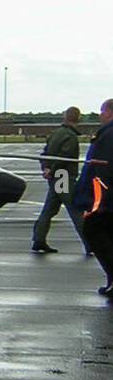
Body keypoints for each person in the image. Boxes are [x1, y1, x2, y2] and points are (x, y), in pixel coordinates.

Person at [31, 106, 88, 254]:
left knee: (49, 209)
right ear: (78, 119)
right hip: (63, 175)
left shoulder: (55, 133)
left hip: (55, 176)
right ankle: (90, 243)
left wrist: (46, 168)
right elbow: (65, 157)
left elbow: (45, 153)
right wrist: (54, 169)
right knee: (75, 210)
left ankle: (39, 239)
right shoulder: (70, 136)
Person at [73, 98, 113, 296]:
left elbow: (101, 167)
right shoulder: (71, 135)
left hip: (63, 178)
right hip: (65, 178)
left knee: (92, 229)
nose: (100, 115)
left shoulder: (106, 135)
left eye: (102, 111)